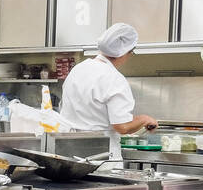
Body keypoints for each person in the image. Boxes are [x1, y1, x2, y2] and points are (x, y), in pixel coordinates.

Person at [59, 22, 158, 158]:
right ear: (125, 53)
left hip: (69, 150)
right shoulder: (114, 79)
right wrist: (143, 119)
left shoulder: (78, 69)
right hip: (100, 156)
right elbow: (122, 127)